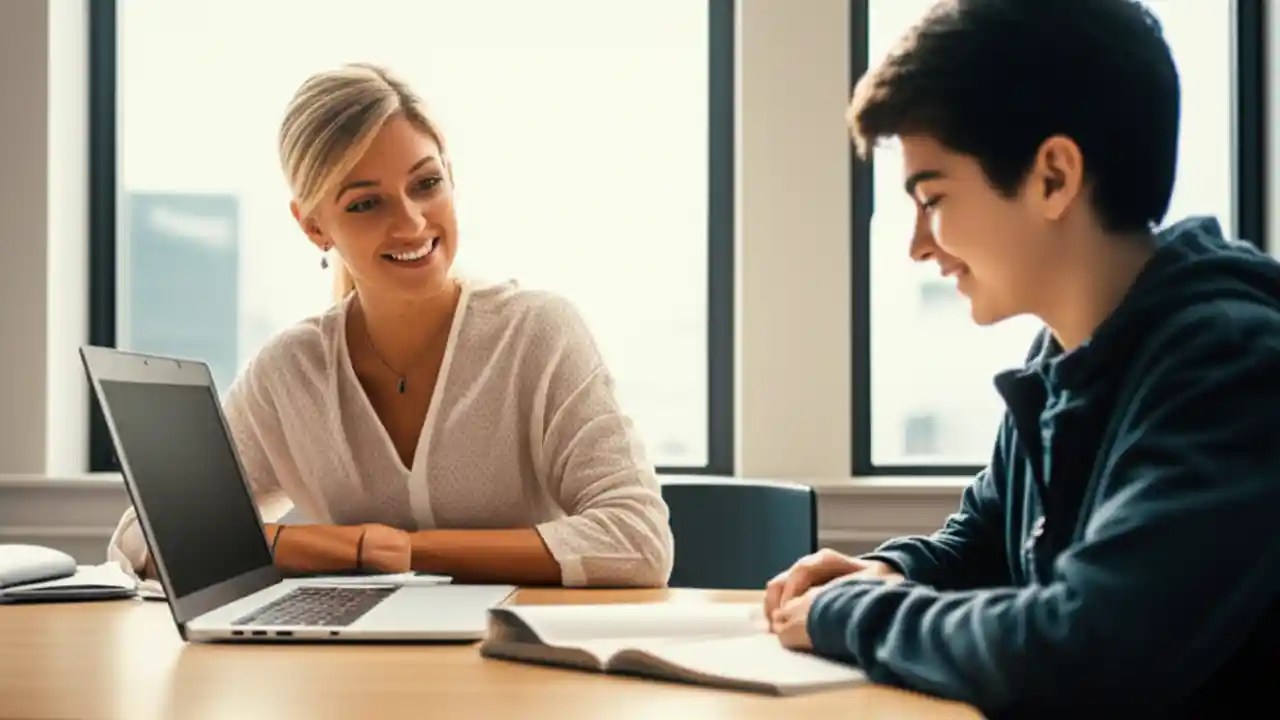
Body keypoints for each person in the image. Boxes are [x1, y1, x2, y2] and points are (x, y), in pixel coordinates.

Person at [765, 0, 1279, 716]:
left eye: (932, 196)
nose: (918, 243)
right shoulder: (1069, 352)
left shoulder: (1231, 363)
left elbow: (1082, 649)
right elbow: (983, 546)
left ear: (1053, 178)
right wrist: (888, 568)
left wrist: (848, 615)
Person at [108, 63, 674, 588]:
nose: (411, 222)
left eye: (426, 184)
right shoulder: (290, 371)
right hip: (358, 675)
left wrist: (406, 551)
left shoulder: (537, 334)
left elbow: (638, 540)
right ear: (313, 227)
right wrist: (348, 547)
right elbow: (142, 539)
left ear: (451, 177)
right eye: (365, 204)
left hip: (522, 664)